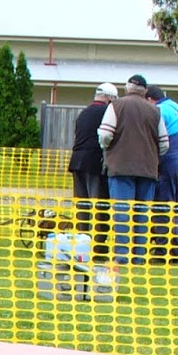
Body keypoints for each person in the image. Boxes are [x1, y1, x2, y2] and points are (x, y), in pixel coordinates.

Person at [96, 74, 167, 265]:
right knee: (143, 214)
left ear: (127, 88)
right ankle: (140, 256)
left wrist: (109, 149)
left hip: (120, 167)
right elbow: (164, 144)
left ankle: (122, 255)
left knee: (122, 213)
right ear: (145, 91)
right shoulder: (155, 110)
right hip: (148, 168)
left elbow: (104, 135)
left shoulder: (115, 106)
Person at [68, 82, 115, 261]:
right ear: (110, 98)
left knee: (83, 207)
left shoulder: (84, 113)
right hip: (95, 163)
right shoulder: (106, 113)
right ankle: (98, 247)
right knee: (99, 205)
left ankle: (82, 244)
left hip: (77, 162)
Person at [147, 85, 178, 260]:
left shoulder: (159, 110)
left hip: (169, 163)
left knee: (163, 207)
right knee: (176, 207)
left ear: (150, 100)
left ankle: (163, 249)